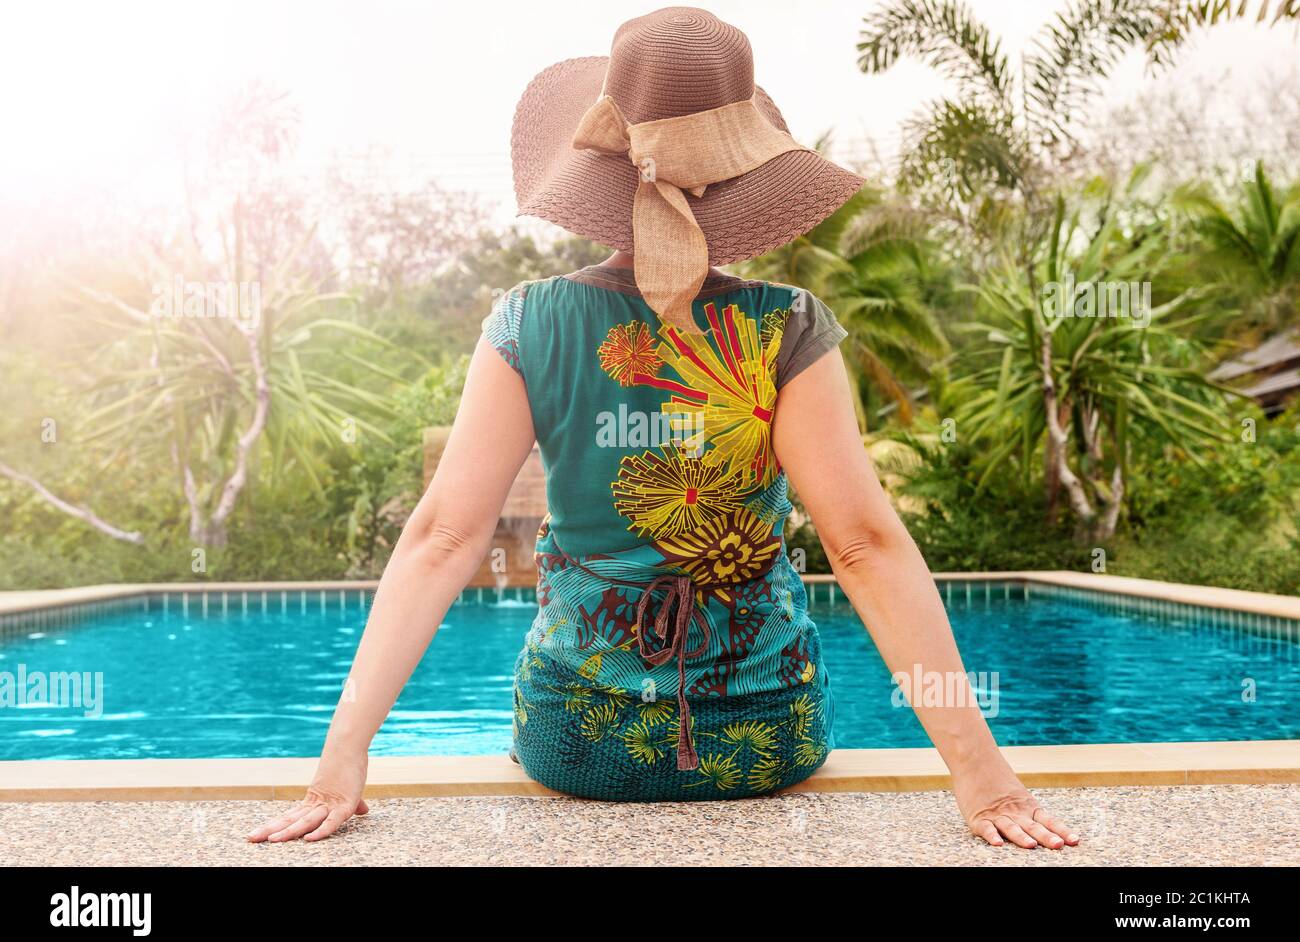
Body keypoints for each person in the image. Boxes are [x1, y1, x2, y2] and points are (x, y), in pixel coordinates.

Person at [249, 6, 1078, 850]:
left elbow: (443, 537)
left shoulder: (528, 321)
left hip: (575, 739)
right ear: (742, 171)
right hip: (767, 739)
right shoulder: (788, 325)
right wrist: (981, 772)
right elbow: (862, 545)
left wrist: (341, 756)